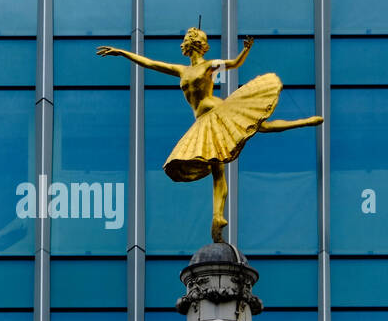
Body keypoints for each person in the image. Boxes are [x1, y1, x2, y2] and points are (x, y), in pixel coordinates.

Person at [96, 26, 323, 242]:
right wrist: (122, 52)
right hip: (202, 121)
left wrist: (246, 49)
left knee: (259, 126)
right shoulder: (181, 70)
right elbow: (151, 63)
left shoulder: (209, 66)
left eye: (187, 40)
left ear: (195, 44)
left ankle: (305, 121)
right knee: (218, 166)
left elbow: (233, 64)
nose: (184, 44)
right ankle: (217, 216)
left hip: (216, 109)